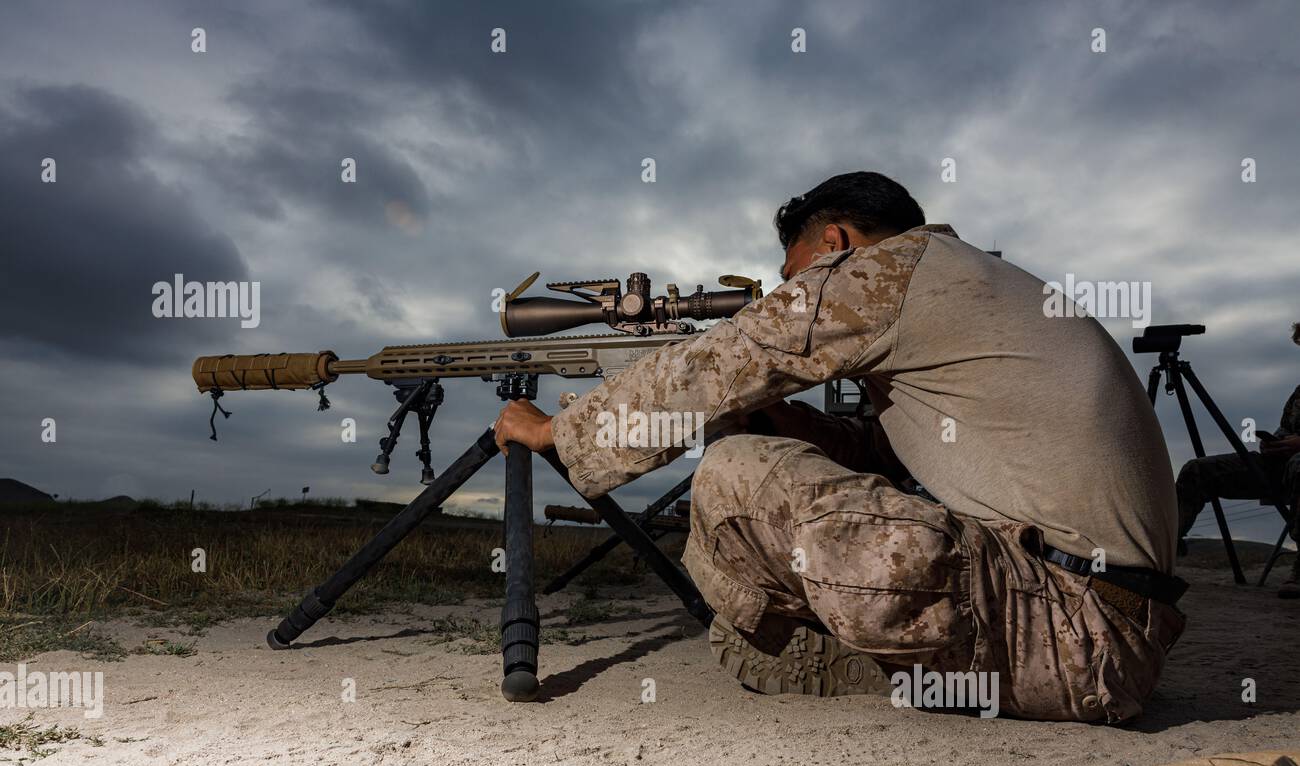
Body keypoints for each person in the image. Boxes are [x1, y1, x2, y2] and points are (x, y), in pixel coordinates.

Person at [496, 171, 1186, 723]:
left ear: (835, 242)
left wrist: (558, 432)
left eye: (799, 278)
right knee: (755, 458)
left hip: (1069, 634)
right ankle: (863, 654)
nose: (799, 295)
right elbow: (889, 456)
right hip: (1109, 630)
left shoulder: (891, 269)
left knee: (735, 472)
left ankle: (836, 660)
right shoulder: (968, 281)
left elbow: (714, 363)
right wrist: (778, 417)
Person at [1175, 331, 1300, 598]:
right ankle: (1165, 549)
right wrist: (1273, 444)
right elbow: (1285, 431)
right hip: (1278, 469)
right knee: (1197, 470)